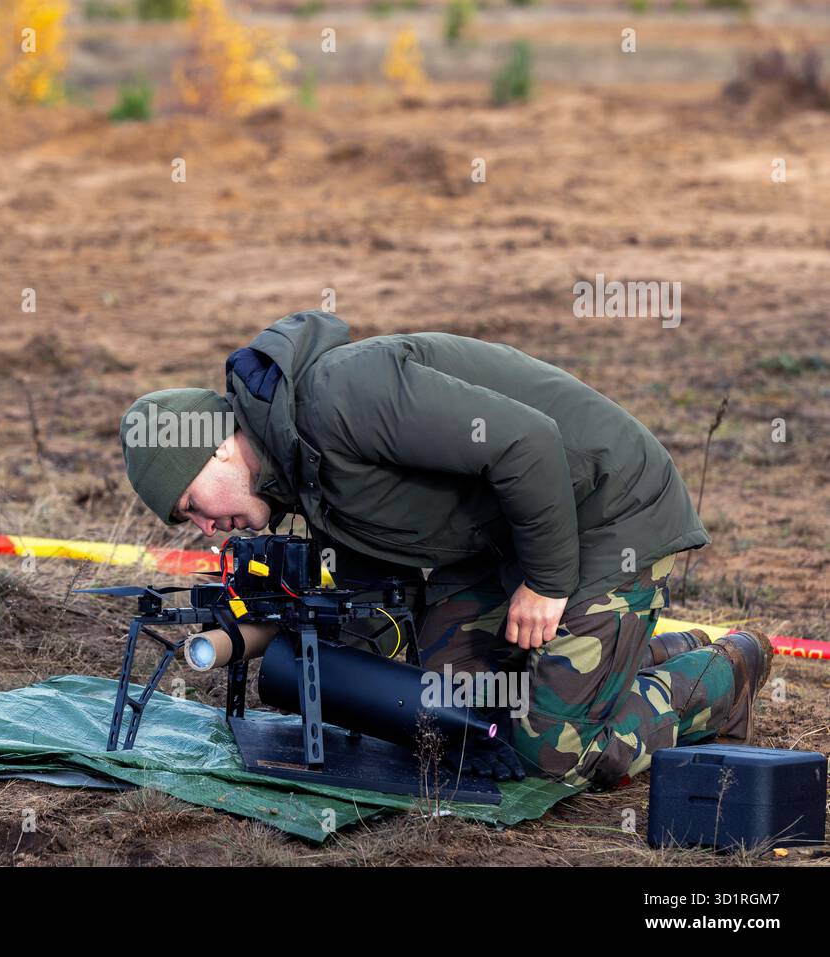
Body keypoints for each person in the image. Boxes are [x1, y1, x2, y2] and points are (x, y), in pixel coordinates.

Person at [118, 310, 772, 788]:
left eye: (191, 506)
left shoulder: (340, 396)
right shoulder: (303, 478)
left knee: (552, 754)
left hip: (609, 509)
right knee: (455, 713)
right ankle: (622, 656)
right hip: (506, 533)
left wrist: (545, 583)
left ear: (216, 448)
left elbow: (527, 444)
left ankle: (722, 674)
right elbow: (376, 591)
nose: (205, 527)